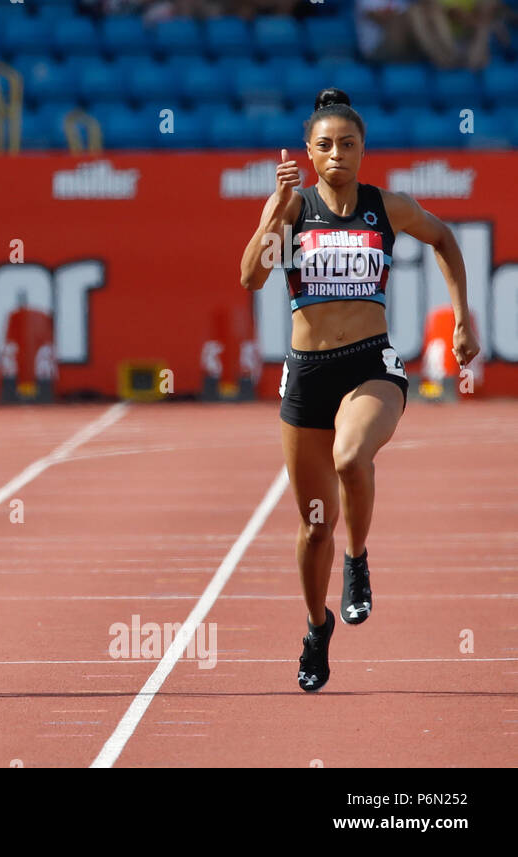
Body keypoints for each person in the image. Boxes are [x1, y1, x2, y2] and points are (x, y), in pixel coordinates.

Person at [239, 88, 480, 693]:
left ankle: (359, 560)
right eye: (325, 146)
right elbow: (250, 277)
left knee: (351, 456)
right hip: (307, 374)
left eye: (348, 144)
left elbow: (445, 238)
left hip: (371, 363)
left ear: (363, 150)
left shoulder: (387, 207)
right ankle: (316, 630)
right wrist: (274, 205)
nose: (337, 154)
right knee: (315, 523)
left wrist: (462, 316)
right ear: (310, 155)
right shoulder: (293, 212)